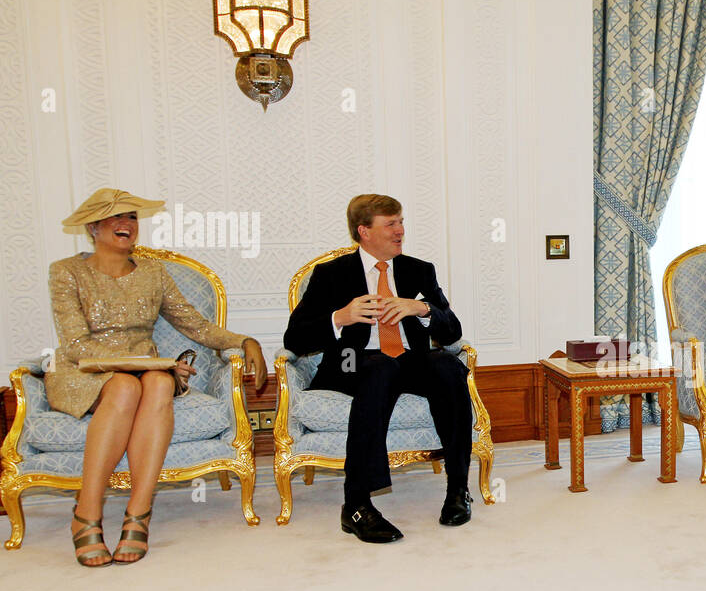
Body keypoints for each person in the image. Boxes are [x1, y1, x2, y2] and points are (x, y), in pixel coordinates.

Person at [49, 188, 268, 567]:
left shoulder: (153, 272)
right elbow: (76, 345)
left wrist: (244, 340)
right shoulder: (66, 271)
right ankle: (86, 513)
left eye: (131, 216)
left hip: (147, 372)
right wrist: (147, 363)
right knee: (124, 385)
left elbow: (195, 325)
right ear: (92, 226)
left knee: (159, 382)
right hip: (85, 371)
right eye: (114, 216)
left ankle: (139, 513)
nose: (125, 224)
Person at [283, 193, 473, 542]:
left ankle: (458, 490)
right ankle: (356, 505)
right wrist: (340, 318)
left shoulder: (419, 270)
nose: (400, 230)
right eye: (391, 224)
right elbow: (295, 338)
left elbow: (453, 331)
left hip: (408, 358)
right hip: (351, 360)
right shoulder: (330, 275)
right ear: (364, 231)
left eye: (401, 221)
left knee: (447, 366)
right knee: (379, 368)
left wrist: (423, 310)